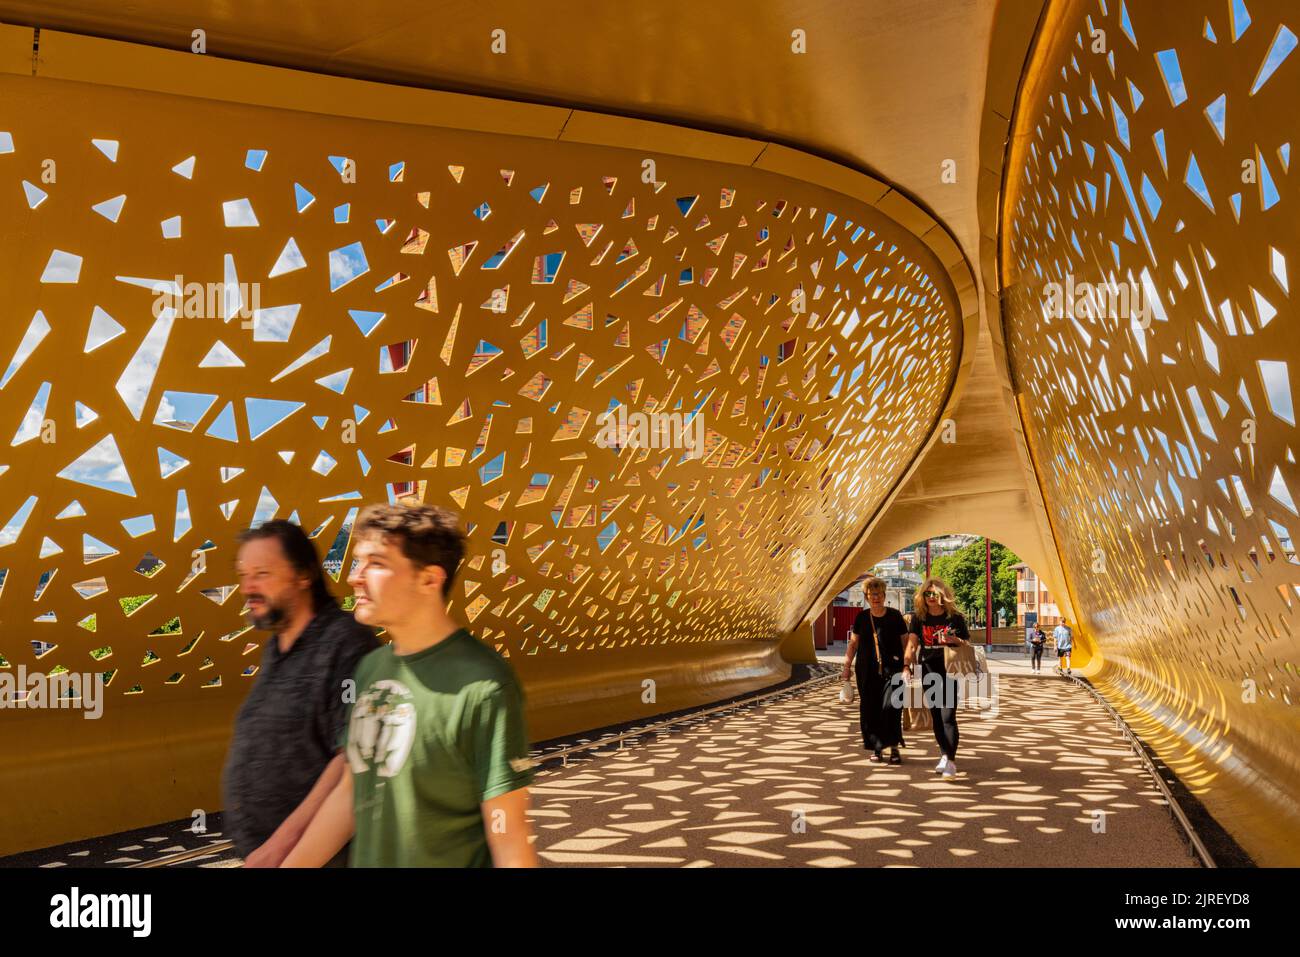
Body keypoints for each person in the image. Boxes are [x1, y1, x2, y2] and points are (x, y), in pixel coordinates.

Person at [281, 502, 538, 867]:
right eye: (358, 562)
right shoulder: (371, 668)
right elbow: (351, 792)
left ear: (429, 579)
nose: (355, 577)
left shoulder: (483, 686)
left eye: (377, 563)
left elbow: (508, 832)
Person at [223, 520, 380, 867]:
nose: (247, 587)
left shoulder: (347, 642)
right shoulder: (277, 647)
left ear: (304, 575)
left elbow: (350, 761)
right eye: (243, 575)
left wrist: (281, 845)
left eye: (262, 573)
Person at [904, 577, 971, 779]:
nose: (931, 597)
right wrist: (906, 665)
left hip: (950, 669)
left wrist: (952, 639)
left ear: (942, 595)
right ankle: (944, 754)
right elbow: (912, 644)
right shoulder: (919, 618)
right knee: (936, 717)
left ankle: (950, 761)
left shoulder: (954, 617)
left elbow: (966, 642)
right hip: (928, 669)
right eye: (927, 594)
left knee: (948, 716)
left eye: (934, 594)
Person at [841, 577, 907, 764]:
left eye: (878, 594)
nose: (875, 597)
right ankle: (877, 748)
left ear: (885, 595)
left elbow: (905, 642)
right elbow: (853, 644)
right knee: (870, 709)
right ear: (867, 598)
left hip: (893, 670)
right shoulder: (862, 618)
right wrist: (846, 667)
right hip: (867, 671)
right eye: (871, 595)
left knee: (892, 708)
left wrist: (908, 665)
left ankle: (893, 746)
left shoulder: (895, 616)